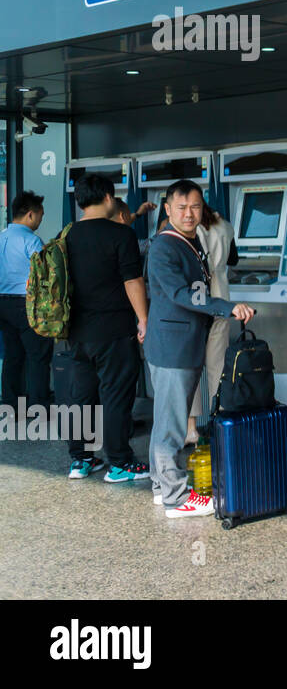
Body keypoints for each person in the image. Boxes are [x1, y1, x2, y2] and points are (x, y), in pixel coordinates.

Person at [146, 180, 255, 517]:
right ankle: (176, 498)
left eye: (195, 206)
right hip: (172, 346)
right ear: (167, 210)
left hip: (184, 342)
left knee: (168, 418)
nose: (189, 214)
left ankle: (160, 485)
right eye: (181, 207)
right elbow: (181, 294)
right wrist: (225, 306)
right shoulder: (165, 247)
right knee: (171, 425)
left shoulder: (189, 242)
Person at [63, 174, 151, 482]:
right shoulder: (120, 235)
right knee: (116, 395)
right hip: (114, 329)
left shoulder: (66, 234)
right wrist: (143, 319)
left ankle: (80, 459)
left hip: (76, 331)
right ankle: (120, 463)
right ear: (108, 198)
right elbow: (132, 280)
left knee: (81, 395)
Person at [186, 206, 238, 444]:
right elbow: (233, 259)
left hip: (198, 300)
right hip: (221, 300)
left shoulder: (191, 230)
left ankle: (191, 429)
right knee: (218, 367)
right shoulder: (226, 226)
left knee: (192, 367)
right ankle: (219, 422)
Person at [0, 191, 52, 412]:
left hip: (2, 304)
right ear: (30, 214)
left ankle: (11, 405)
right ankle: (39, 406)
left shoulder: (1, 236)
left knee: (13, 355)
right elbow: (46, 274)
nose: (41, 220)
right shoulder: (31, 240)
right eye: (40, 215)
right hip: (27, 305)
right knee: (38, 356)